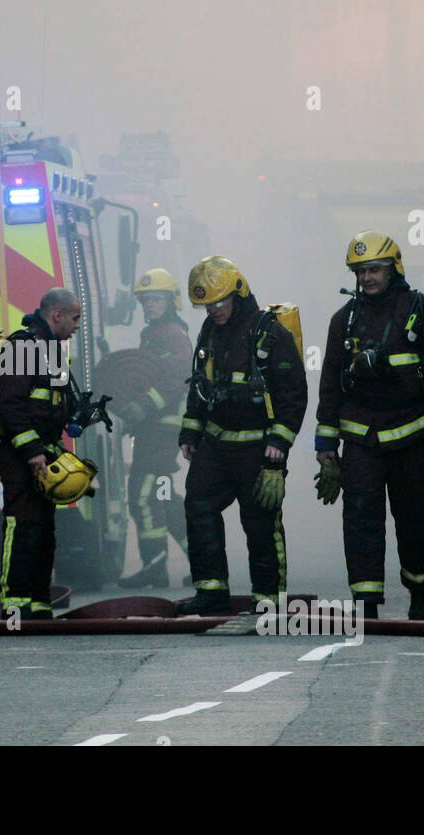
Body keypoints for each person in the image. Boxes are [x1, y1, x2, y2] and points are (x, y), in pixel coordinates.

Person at [313, 231, 424, 621]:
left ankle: (419, 593)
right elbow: (330, 383)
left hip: (415, 436)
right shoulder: (344, 320)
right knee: (361, 517)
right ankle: (366, 603)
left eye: (375, 270)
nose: (367, 278)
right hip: (362, 440)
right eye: (361, 271)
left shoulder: (421, 310)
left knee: (416, 517)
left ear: (393, 268)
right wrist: (325, 445)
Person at [174, 256, 307, 615]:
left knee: (260, 522)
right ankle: (211, 592)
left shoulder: (269, 333)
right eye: (206, 305)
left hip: (257, 447)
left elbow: (293, 394)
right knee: (198, 506)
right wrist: (191, 428)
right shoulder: (209, 331)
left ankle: (268, 600)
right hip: (216, 444)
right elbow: (200, 384)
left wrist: (279, 443)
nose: (213, 310)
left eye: (219, 302)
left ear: (238, 292)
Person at [0, 288, 82, 620]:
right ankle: (14, 602)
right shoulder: (22, 346)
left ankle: (39, 602)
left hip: (45, 450)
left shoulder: (53, 349)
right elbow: (10, 406)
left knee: (44, 526)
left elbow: (56, 403)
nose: (78, 325)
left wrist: (78, 415)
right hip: (19, 452)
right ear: (57, 315)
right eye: (75, 317)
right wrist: (32, 452)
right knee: (22, 521)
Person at [117, 268, 192, 589]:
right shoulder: (153, 334)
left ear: (171, 302)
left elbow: (174, 380)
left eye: (156, 300)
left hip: (162, 430)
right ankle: (204, 560)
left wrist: (141, 407)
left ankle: (155, 567)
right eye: (145, 301)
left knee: (145, 495)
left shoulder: (172, 334)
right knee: (165, 497)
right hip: (152, 430)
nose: (149, 306)